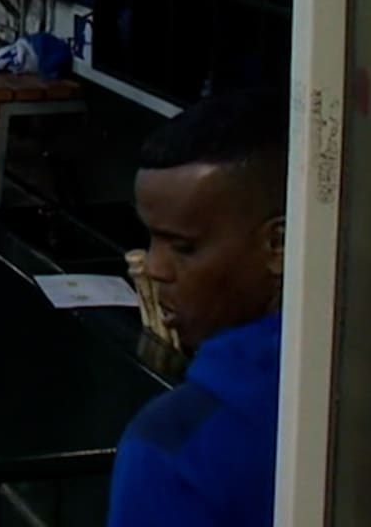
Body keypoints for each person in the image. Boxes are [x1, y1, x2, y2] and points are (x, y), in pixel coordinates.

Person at [106, 89, 286, 527]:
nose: (153, 267)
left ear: (278, 245)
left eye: (183, 247)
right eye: (152, 238)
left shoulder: (172, 448)